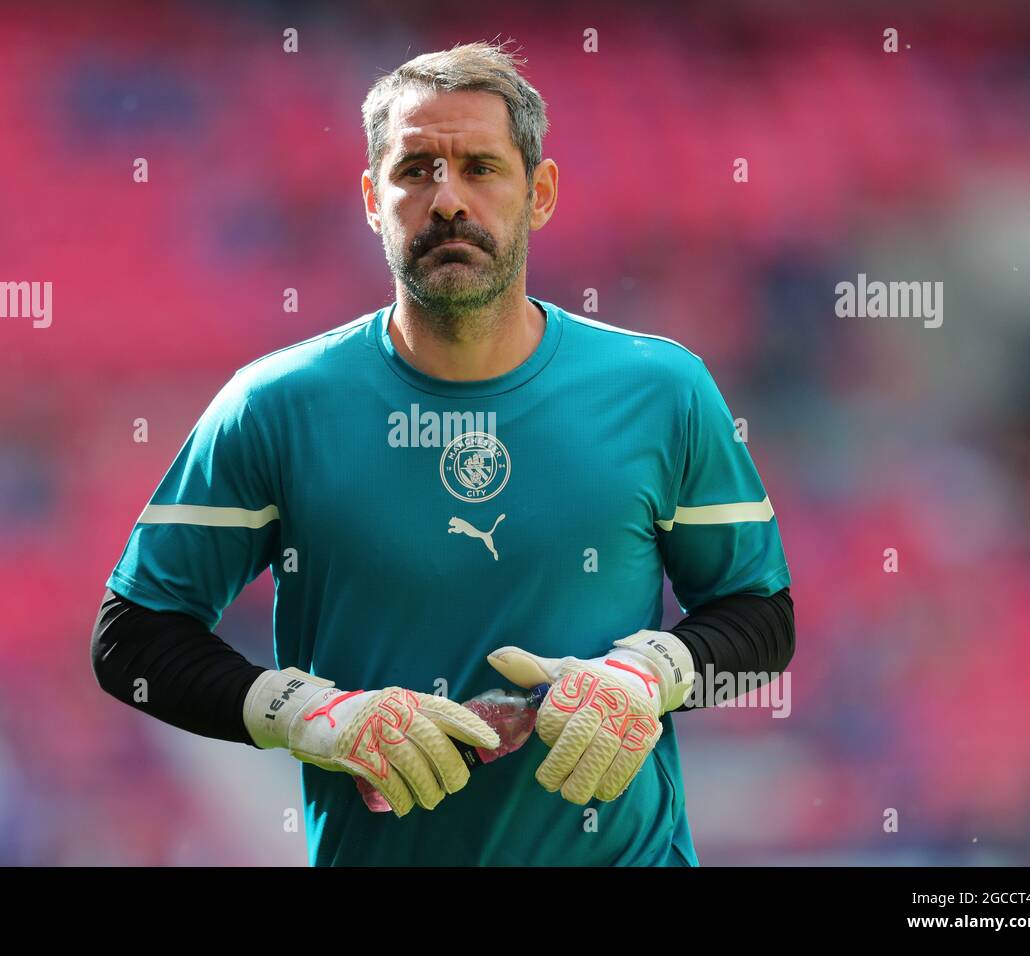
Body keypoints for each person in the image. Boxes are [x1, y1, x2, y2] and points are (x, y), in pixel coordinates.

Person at [93, 39, 794, 866]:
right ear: (369, 198)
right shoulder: (276, 405)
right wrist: (312, 715)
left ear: (540, 194)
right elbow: (131, 637)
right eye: (416, 169)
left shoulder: (661, 389)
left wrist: (651, 673)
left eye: (481, 169)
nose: (447, 200)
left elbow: (761, 617)